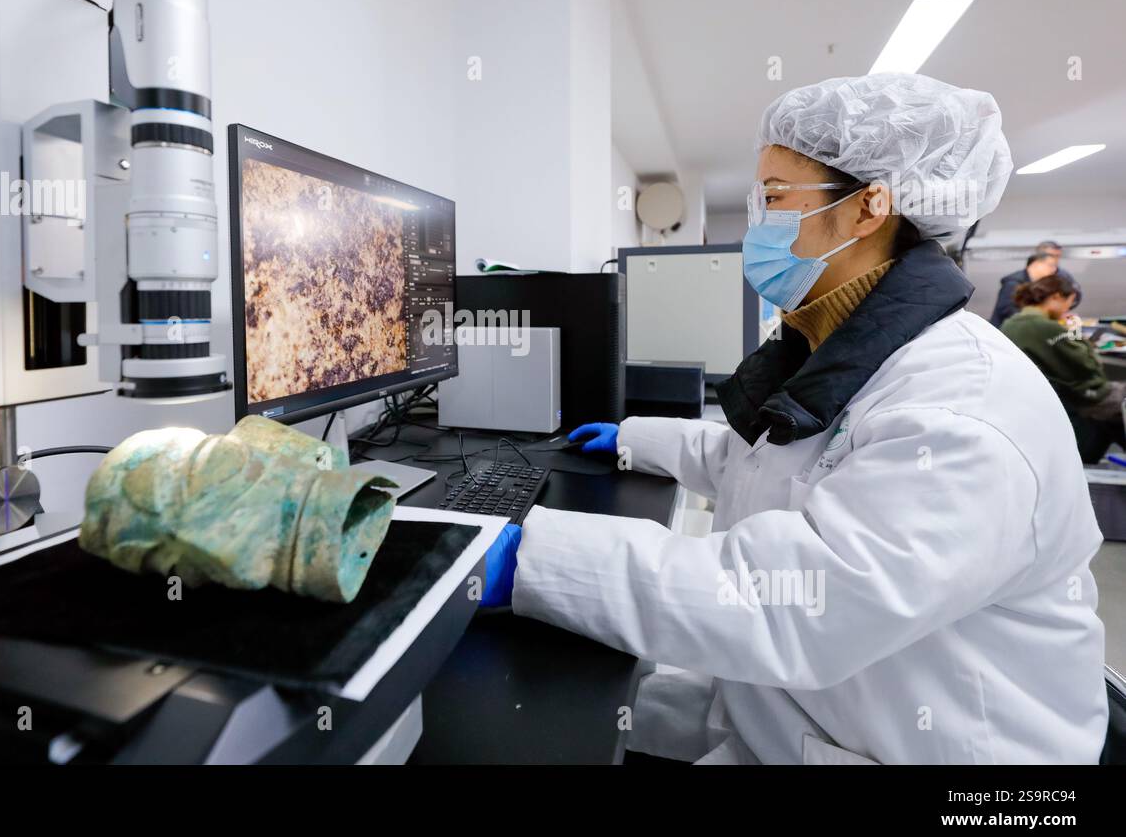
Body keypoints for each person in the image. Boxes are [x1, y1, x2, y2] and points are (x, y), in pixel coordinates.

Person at [482, 72, 1106, 764]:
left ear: (872, 205)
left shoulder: (961, 408)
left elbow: (789, 603)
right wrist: (633, 437)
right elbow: (759, 464)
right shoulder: (855, 348)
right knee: (591, 710)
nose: (759, 224)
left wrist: (531, 558)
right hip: (810, 714)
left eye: (776, 200)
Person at [1001, 273, 1126, 463]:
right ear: (1056, 297)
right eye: (1069, 302)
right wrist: (1075, 331)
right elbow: (1089, 365)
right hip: (1084, 397)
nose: (1067, 309)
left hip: (1054, 398)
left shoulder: (1010, 324)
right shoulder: (1045, 327)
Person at [990, 240, 1081, 328]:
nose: (1054, 270)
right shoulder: (1012, 283)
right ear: (1036, 264)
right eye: (1050, 266)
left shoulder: (1054, 276)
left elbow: (1074, 293)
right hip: (1003, 335)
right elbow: (1010, 312)